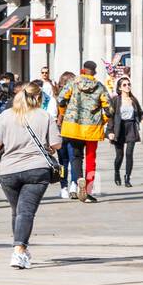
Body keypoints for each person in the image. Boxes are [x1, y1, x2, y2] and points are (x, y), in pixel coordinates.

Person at [0, 81, 62, 270]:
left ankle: (20, 248)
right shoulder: (44, 116)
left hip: (9, 171)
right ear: (37, 97)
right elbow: (56, 145)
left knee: (17, 211)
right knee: (26, 211)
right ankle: (19, 250)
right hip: (37, 169)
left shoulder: (5, 115)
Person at [58, 60, 111, 203]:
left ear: (83, 70)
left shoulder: (73, 83)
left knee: (76, 156)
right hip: (92, 128)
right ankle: (88, 190)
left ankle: (79, 177)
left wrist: (64, 113)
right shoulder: (100, 87)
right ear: (94, 72)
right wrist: (102, 120)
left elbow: (61, 99)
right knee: (91, 159)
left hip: (73, 125)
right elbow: (109, 109)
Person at [109, 76, 139, 188]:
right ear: (120, 88)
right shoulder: (116, 100)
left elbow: (140, 112)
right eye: (125, 85)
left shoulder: (133, 99)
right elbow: (111, 116)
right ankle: (117, 172)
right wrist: (110, 131)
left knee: (129, 154)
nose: (128, 87)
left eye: (129, 84)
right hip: (119, 128)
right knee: (119, 156)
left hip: (131, 127)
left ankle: (127, 177)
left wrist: (142, 118)